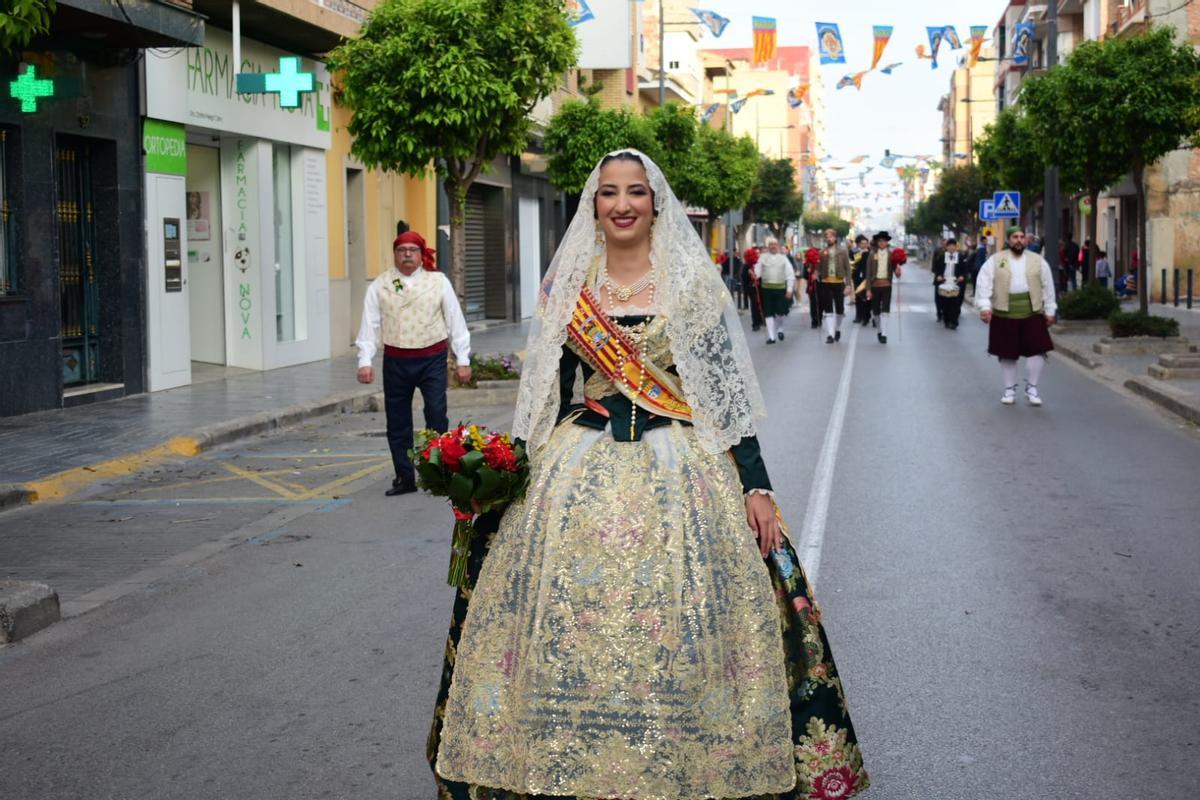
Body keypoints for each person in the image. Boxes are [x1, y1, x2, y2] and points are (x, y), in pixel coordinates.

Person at [428, 150, 868, 799]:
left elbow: (724, 401)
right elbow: (546, 397)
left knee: (686, 625)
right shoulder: (570, 290)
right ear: (594, 206)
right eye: (609, 193)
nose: (623, 204)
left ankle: (688, 759)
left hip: (683, 467)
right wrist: (501, 475)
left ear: (655, 204)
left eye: (635, 192)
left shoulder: (690, 286)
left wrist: (757, 486)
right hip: (580, 466)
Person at [355, 230, 471, 495]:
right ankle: (404, 477)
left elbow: (455, 320)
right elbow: (370, 324)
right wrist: (365, 361)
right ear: (395, 254)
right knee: (397, 421)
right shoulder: (381, 284)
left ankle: (437, 473)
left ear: (421, 254)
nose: (407, 254)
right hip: (396, 361)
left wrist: (463, 359)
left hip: (432, 358)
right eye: (401, 250)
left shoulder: (438, 281)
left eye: (412, 250)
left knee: (436, 414)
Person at [975, 225, 1057, 407]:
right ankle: (1009, 389)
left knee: (1038, 350)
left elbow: (1048, 286)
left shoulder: (1038, 261)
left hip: (1032, 311)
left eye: (1021, 237)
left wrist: (1050, 309)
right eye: (1015, 237)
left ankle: (1032, 388)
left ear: (1025, 240)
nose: (1019, 240)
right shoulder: (995, 260)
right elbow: (984, 283)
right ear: (1008, 240)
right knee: (1007, 353)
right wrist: (985, 306)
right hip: (1004, 311)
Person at [756, 236, 796, 343]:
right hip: (766, 289)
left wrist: (789, 289)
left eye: (775, 244)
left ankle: (780, 329)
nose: (773, 246)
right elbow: (757, 272)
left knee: (780, 313)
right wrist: (754, 274)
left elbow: (790, 274)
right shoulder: (762, 258)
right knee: (768, 312)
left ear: (777, 246)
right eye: (771, 244)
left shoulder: (784, 258)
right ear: (768, 246)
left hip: (780, 289)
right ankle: (771, 336)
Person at [817, 227, 854, 343]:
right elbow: (818, 268)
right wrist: (814, 271)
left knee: (840, 310)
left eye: (831, 236)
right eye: (827, 237)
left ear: (835, 238)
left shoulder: (842, 251)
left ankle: (837, 329)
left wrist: (848, 285)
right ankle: (830, 334)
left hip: (839, 283)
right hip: (826, 283)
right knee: (828, 310)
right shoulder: (822, 252)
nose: (828, 239)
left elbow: (848, 269)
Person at [865, 231, 900, 344]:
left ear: (887, 242)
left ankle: (884, 333)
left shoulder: (891, 255)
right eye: (880, 241)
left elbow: (896, 271)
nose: (881, 243)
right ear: (877, 242)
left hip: (887, 285)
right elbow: (868, 273)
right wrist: (868, 289)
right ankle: (879, 330)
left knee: (885, 309)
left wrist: (898, 271)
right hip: (875, 285)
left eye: (884, 241)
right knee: (875, 311)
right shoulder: (872, 254)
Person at [932, 237, 968, 330]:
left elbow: (965, 269)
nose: (951, 247)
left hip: (956, 282)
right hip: (944, 281)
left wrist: (962, 276)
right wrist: (939, 276)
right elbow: (936, 268)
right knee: (945, 303)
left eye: (953, 246)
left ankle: (954, 322)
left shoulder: (961, 257)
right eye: (949, 246)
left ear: (956, 247)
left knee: (955, 303)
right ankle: (947, 321)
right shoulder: (942, 257)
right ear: (947, 247)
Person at [851, 234, 872, 325]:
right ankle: (858, 316)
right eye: (862, 243)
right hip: (857, 276)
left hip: (867, 277)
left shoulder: (870, 252)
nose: (864, 245)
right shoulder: (853, 251)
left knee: (867, 297)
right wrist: (861, 253)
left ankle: (867, 315)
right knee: (858, 296)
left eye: (866, 243)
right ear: (858, 244)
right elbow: (852, 262)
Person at [743, 244, 764, 331]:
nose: (758, 255)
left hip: (761, 287)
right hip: (752, 288)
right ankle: (755, 323)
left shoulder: (761, 263)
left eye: (758, 253)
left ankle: (761, 319)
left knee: (761, 303)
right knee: (754, 305)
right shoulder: (746, 266)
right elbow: (744, 278)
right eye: (756, 253)